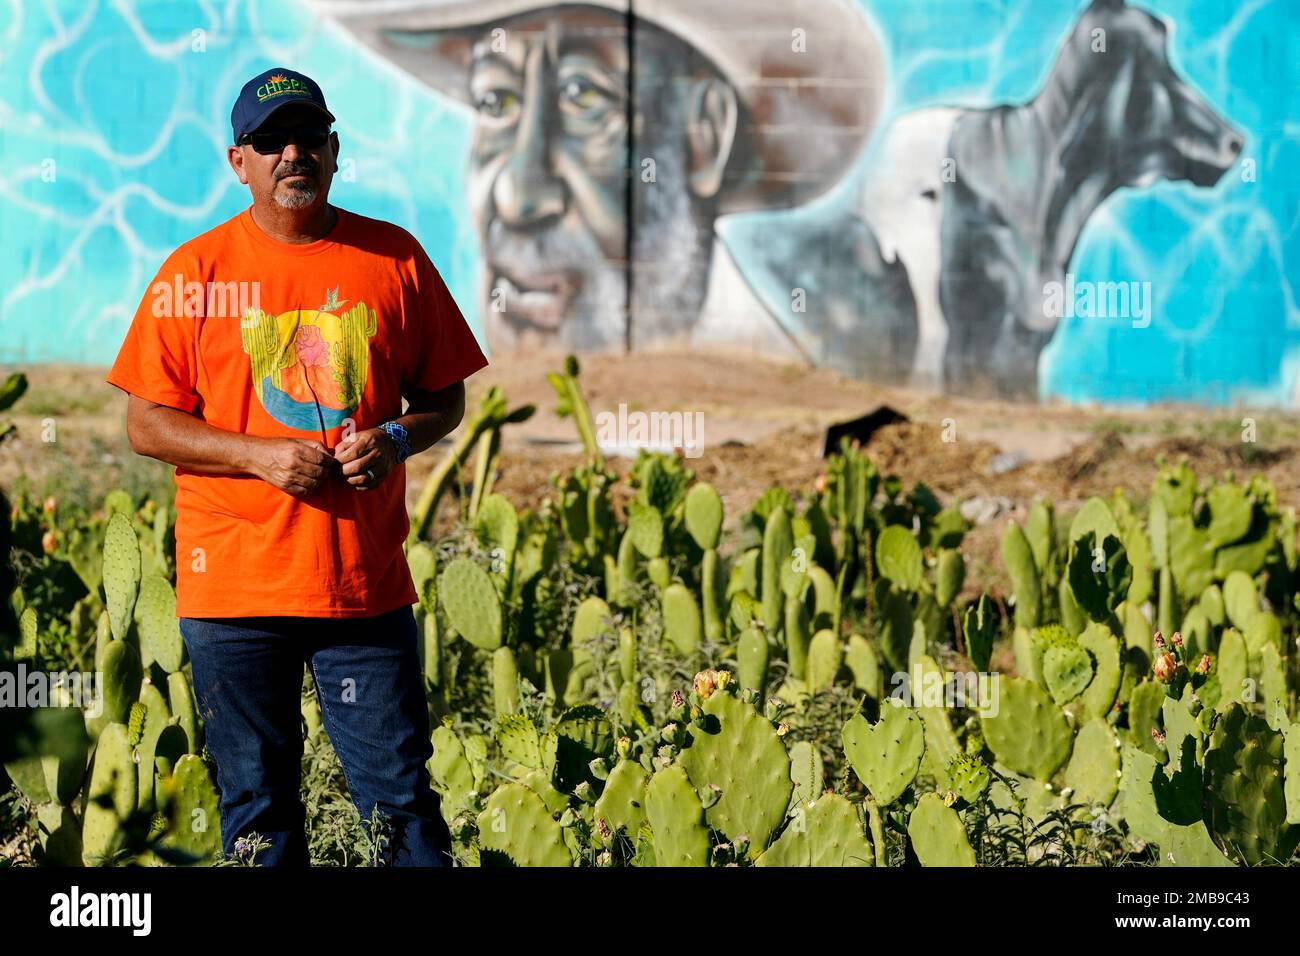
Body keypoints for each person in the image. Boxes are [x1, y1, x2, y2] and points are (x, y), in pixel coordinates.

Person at [104, 66, 489, 866]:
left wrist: (394, 439)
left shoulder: (394, 259)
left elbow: (445, 400)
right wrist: (257, 456)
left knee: (403, 809)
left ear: (335, 150)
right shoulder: (195, 274)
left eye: (308, 137)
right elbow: (146, 422)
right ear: (238, 160)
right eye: (270, 140)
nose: (292, 154)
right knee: (257, 817)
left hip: (362, 587)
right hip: (234, 592)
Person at [315, 0, 886, 360]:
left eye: (584, 96)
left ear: (705, 135)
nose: (517, 196)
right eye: (496, 100)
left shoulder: (768, 399)